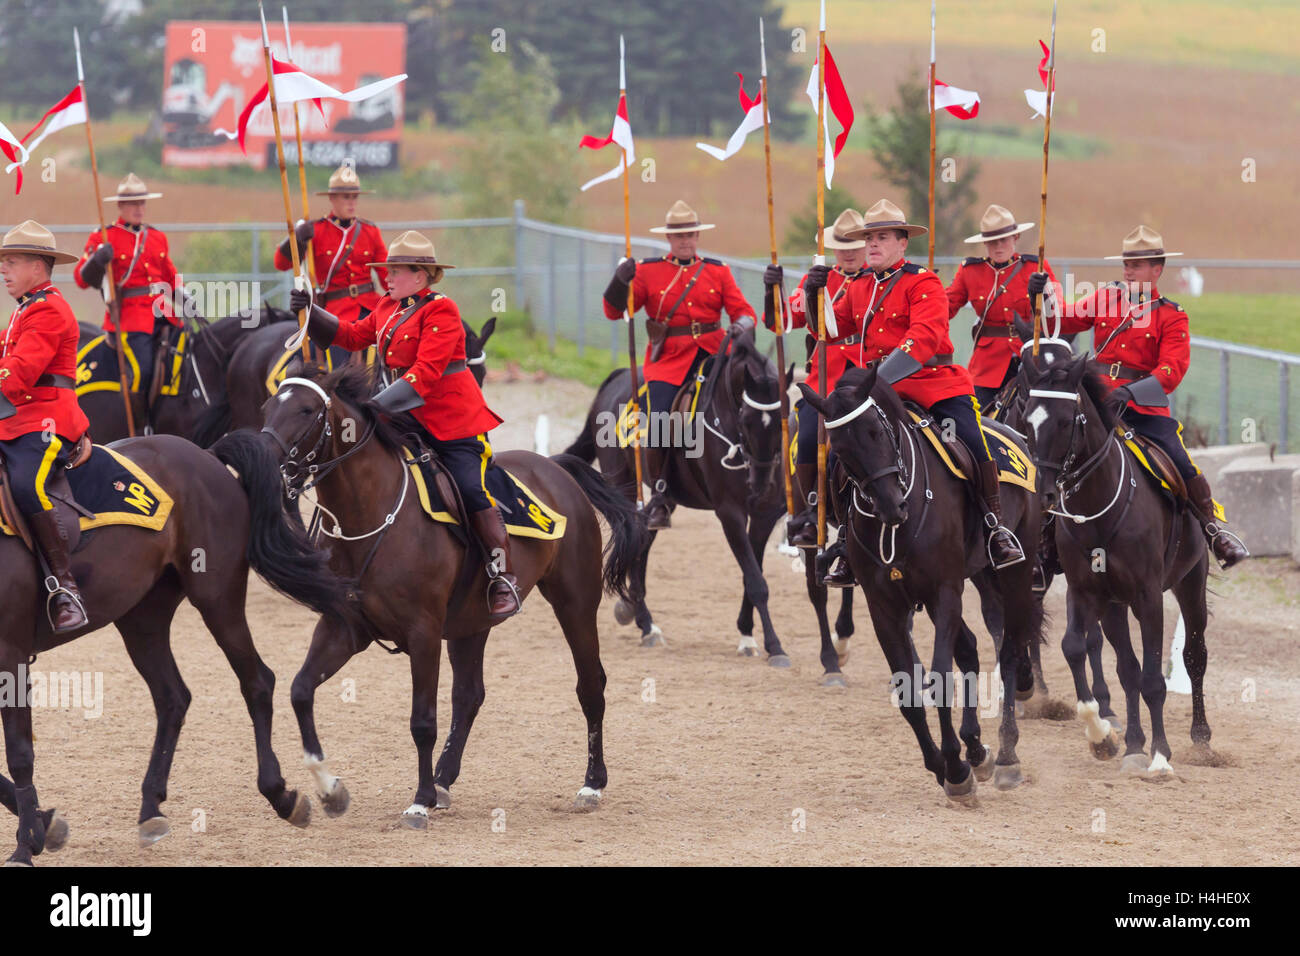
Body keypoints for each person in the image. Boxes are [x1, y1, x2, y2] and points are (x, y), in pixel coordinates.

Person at [291, 231, 520, 620]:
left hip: (452, 421)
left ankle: (502, 574)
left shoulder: (441, 311)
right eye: (387, 270)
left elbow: (425, 375)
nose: (387, 277)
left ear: (421, 275)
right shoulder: (387, 307)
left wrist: (373, 407)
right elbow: (349, 335)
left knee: (468, 487)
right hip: (408, 418)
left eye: (395, 271)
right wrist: (312, 311)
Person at [807, 199, 1025, 584]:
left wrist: (875, 383)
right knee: (844, 450)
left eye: (882, 237)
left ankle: (995, 526)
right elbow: (828, 330)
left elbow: (922, 339)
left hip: (933, 384)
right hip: (879, 392)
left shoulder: (923, 282)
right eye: (869, 238)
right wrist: (813, 295)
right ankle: (845, 539)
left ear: (902, 242)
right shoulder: (859, 287)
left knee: (973, 439)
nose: (873, 244)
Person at [1027, 225, 1249, 568]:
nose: (1128, 270)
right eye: (1126, 263)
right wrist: (1039, 298)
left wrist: (1130, 392)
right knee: (1053, 450)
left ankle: (1213, 533)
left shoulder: (1171, 315)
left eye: (1138, 264)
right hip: (1096, 406)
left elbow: (1171, 370)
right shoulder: (1104, 298)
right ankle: (1045, 535)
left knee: (1179, 460)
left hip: (1142, 410)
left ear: (1156, 269)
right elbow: (1065, 321)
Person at [601, 199, 756, 529]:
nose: (685, 240)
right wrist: (619, 281)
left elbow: (743, 310)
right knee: (659, 416)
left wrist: (742, 324)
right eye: (678, 235)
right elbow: (615, 312)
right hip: (669, 358)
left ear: (698, 235)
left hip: (715, 354)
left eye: (690, 234)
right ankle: (660, 493)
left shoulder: (718, 270)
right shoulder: (647, 271)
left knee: (753, 402)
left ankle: (756, 475)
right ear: (669, 239)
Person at [0, 221, 92, 632]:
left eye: (12, 262)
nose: (4, 270)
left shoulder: (50, 309)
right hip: (18, 417)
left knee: (24, 484)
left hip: (47, 419)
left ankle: (63, 587)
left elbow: (17, 375)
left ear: (38, 266)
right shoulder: (26, 309)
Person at [762, 208, 868, 549]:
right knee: (808, 437)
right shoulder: (819, 279)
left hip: (871, 376)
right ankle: (809, 512)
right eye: (842, 245)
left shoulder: (880, 279)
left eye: (856, 243)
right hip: (827, 377)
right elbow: (781, 321)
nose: (849, 251)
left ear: (868, 245)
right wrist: (773, 291)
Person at [73, 173, 180, 407]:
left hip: (162, 313)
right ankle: (142, 422)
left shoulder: (156, 237)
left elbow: (170, 276)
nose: (139, 208)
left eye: (142, 202)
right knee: (142, 369)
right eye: (133, 203)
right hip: (130, 318)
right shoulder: (105, 236)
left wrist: (184, 296)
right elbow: (81, 279)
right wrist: (97, 259)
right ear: (120, 205)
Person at [946, 204, 1057, 408]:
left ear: (1015, 238)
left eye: (1003, 240)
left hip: (1030, 356)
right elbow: (945, 308)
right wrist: (930, 289)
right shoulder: (970, 271)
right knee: (974, 414)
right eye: (991, 242)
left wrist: (1045, 294)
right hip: (988, 365)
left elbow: (1056, 314)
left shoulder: (1035, 267)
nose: (998, 246)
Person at [276, 164, 388, 328]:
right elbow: (281, 264)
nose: (351, 202)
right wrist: (296, 238)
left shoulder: (370, 231)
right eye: (345, 197)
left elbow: (387, 275)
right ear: (332, 198)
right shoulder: (316, 231)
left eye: (354, 197)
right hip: (333, 314)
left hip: (370, 308)